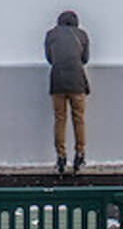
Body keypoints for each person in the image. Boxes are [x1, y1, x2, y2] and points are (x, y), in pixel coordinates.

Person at [45, 10, 90, 175]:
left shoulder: (51, 35)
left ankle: (61, 156)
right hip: (77, 82)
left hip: (57, 81)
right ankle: (80, 154)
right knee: (78, 118)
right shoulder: (82, 35)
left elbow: (50, 58)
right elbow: (85, 59)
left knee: (60, 119)